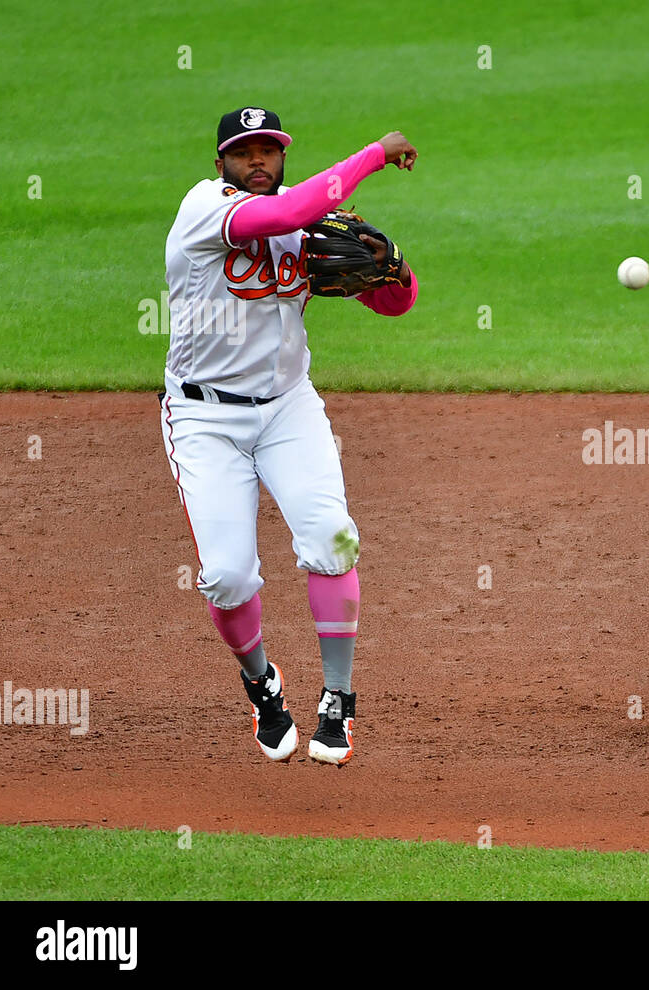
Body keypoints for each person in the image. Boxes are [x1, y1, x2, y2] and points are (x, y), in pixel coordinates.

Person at [160, 106, 418, 765]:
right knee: (225, 576)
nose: (257, 161)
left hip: (287, 410)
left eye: (269, 151)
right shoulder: (204, 209)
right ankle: (262, 683)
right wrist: (374, 153)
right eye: (243, 151)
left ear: (282, 158)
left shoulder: (306, 229)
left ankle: (338, 699)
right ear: (219, 163)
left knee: (332, 538)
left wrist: (393, 268)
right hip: (204, 419)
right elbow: (278, 216)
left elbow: (397, 303)